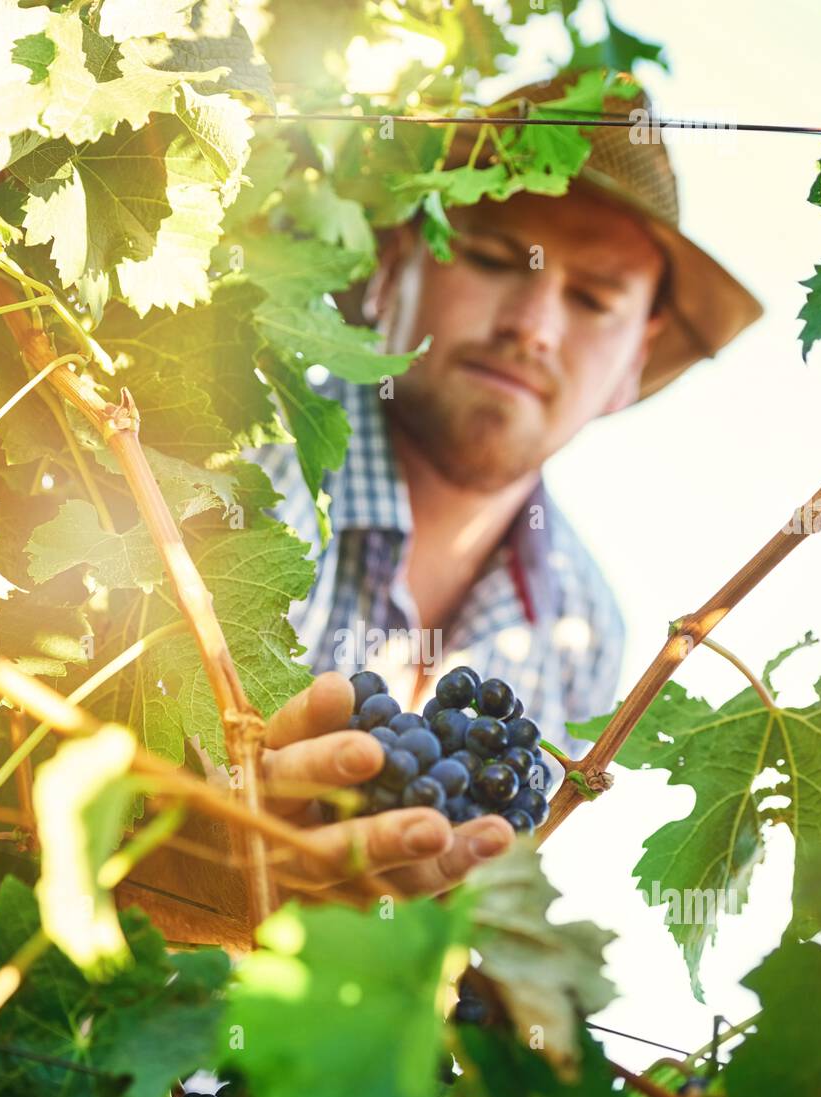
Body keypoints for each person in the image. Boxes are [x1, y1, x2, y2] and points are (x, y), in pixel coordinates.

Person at [250, 70, 763, 903]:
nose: (534, 326)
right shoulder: (233, 463)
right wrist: (213, 835)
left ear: (636, 359)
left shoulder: (589, 633)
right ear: (391, 261)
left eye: (594, 298)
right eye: (493, 255)